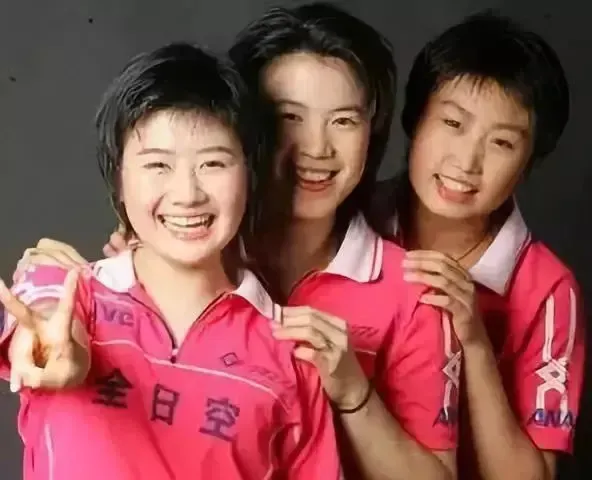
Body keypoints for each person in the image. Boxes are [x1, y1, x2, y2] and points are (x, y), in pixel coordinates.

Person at [11, 3, 459, 480]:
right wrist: (47, 301)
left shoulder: (410, 296)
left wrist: (354, 395)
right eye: (288, 117)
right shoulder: (139, 263)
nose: (316, 148)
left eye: (343, 120)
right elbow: (44, 327)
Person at [0, 42, 343, 479]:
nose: (187, 194)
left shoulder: (291, 354)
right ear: (119, 179)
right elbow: (43, 314)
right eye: (158, 165)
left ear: (250, 175)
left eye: (213, 163)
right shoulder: (67, 295)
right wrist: (52, 340)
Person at [371, 11, 585, 479]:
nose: (467, 161)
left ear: (528, 165)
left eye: (502, 143)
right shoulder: (351, 222)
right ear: (414, 119)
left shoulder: (549, 290)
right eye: (453, 122)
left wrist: (476, 343)